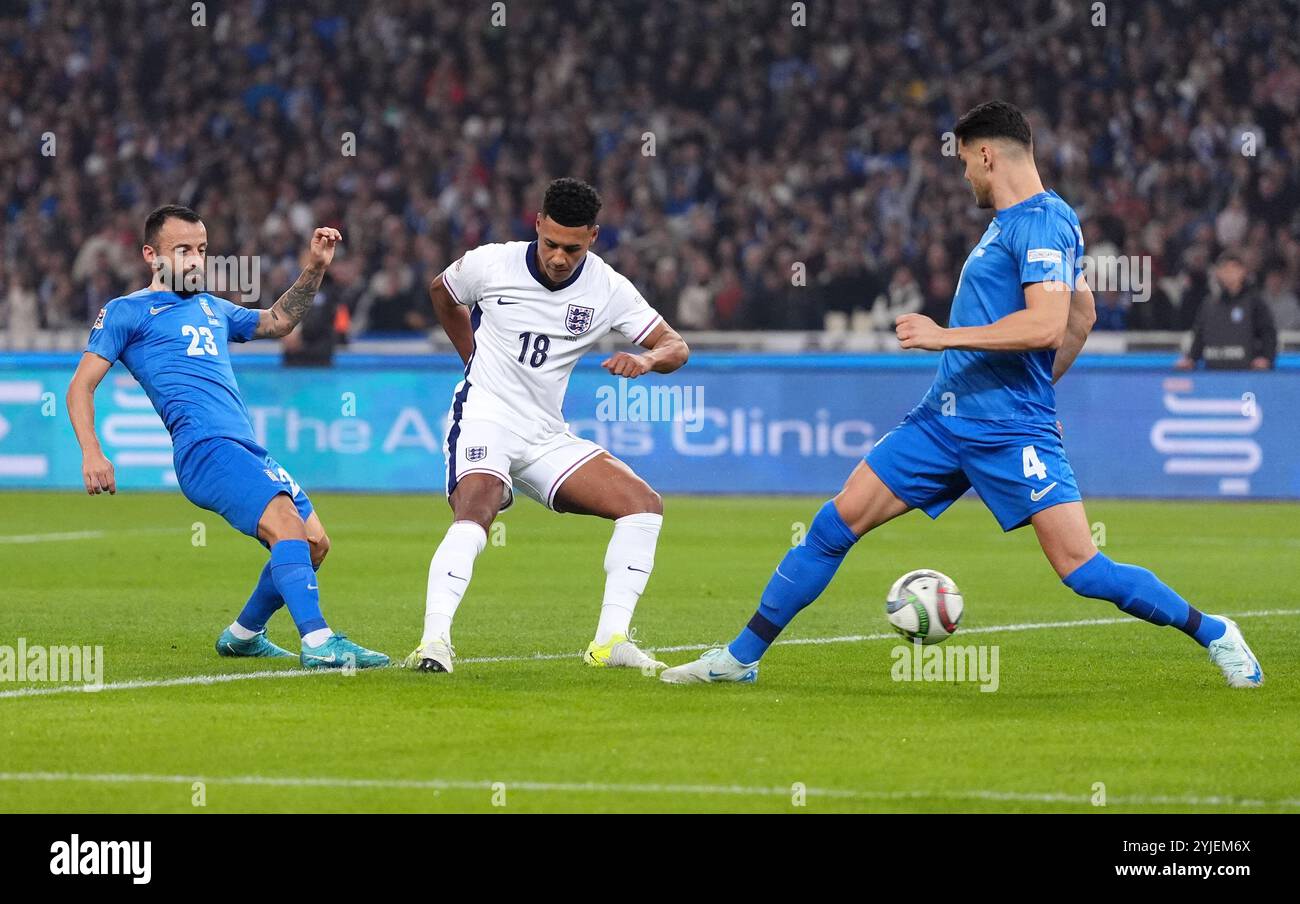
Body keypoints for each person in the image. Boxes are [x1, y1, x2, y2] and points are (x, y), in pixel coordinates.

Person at [662, 102, 1262, 689]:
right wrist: (1035, 378)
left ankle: (1215, 632)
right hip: (943, 421)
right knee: (833, 524)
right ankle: (740, 658)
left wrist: (950, 341)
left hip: (1009, 431)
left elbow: (1051, 324)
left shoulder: (1041, 222)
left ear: (985, 153)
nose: (965, 176)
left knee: (1083, 570)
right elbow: (1083, 315)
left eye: (965, 165)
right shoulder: (1025, 224)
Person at [67, 204, 388, 670]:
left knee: (315, 543)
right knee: (285, 524)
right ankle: (319, 642)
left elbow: (278, 322)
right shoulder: (125, 312)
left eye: (201, 249)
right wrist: (92, 453)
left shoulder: (211, 306)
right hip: (205, 448)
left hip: (244, 447)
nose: (195, 260)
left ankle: (242, 635)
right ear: (151, 255)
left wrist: (314, 269)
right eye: (182, 251)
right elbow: (80, 385)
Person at [405, 178, 690, 675]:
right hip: (485, 414)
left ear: (593, 238)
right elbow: (442, 293)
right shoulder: (491, 263)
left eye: (572, 249)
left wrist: (648, 362)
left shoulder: (607, 287)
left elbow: (676, 345)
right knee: (476, 507)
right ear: (537, 225)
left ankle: (609, 641)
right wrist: (471, 356)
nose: (559, 257)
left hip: (543, 432)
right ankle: (433, 643)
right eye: (552, 243)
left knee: (643, 506)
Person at [1175, 252, 1277, 370]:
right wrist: (1191, 358)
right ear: (1218, 273)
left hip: (1247, 372)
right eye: (1224, 269)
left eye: (1233, 268)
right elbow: (1199, 334)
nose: (1229, 273)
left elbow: (1268, 332)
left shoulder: (1254, 301)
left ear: (1243, 271)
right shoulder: (1209, 303)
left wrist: (1267, 358)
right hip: (1214, 370)